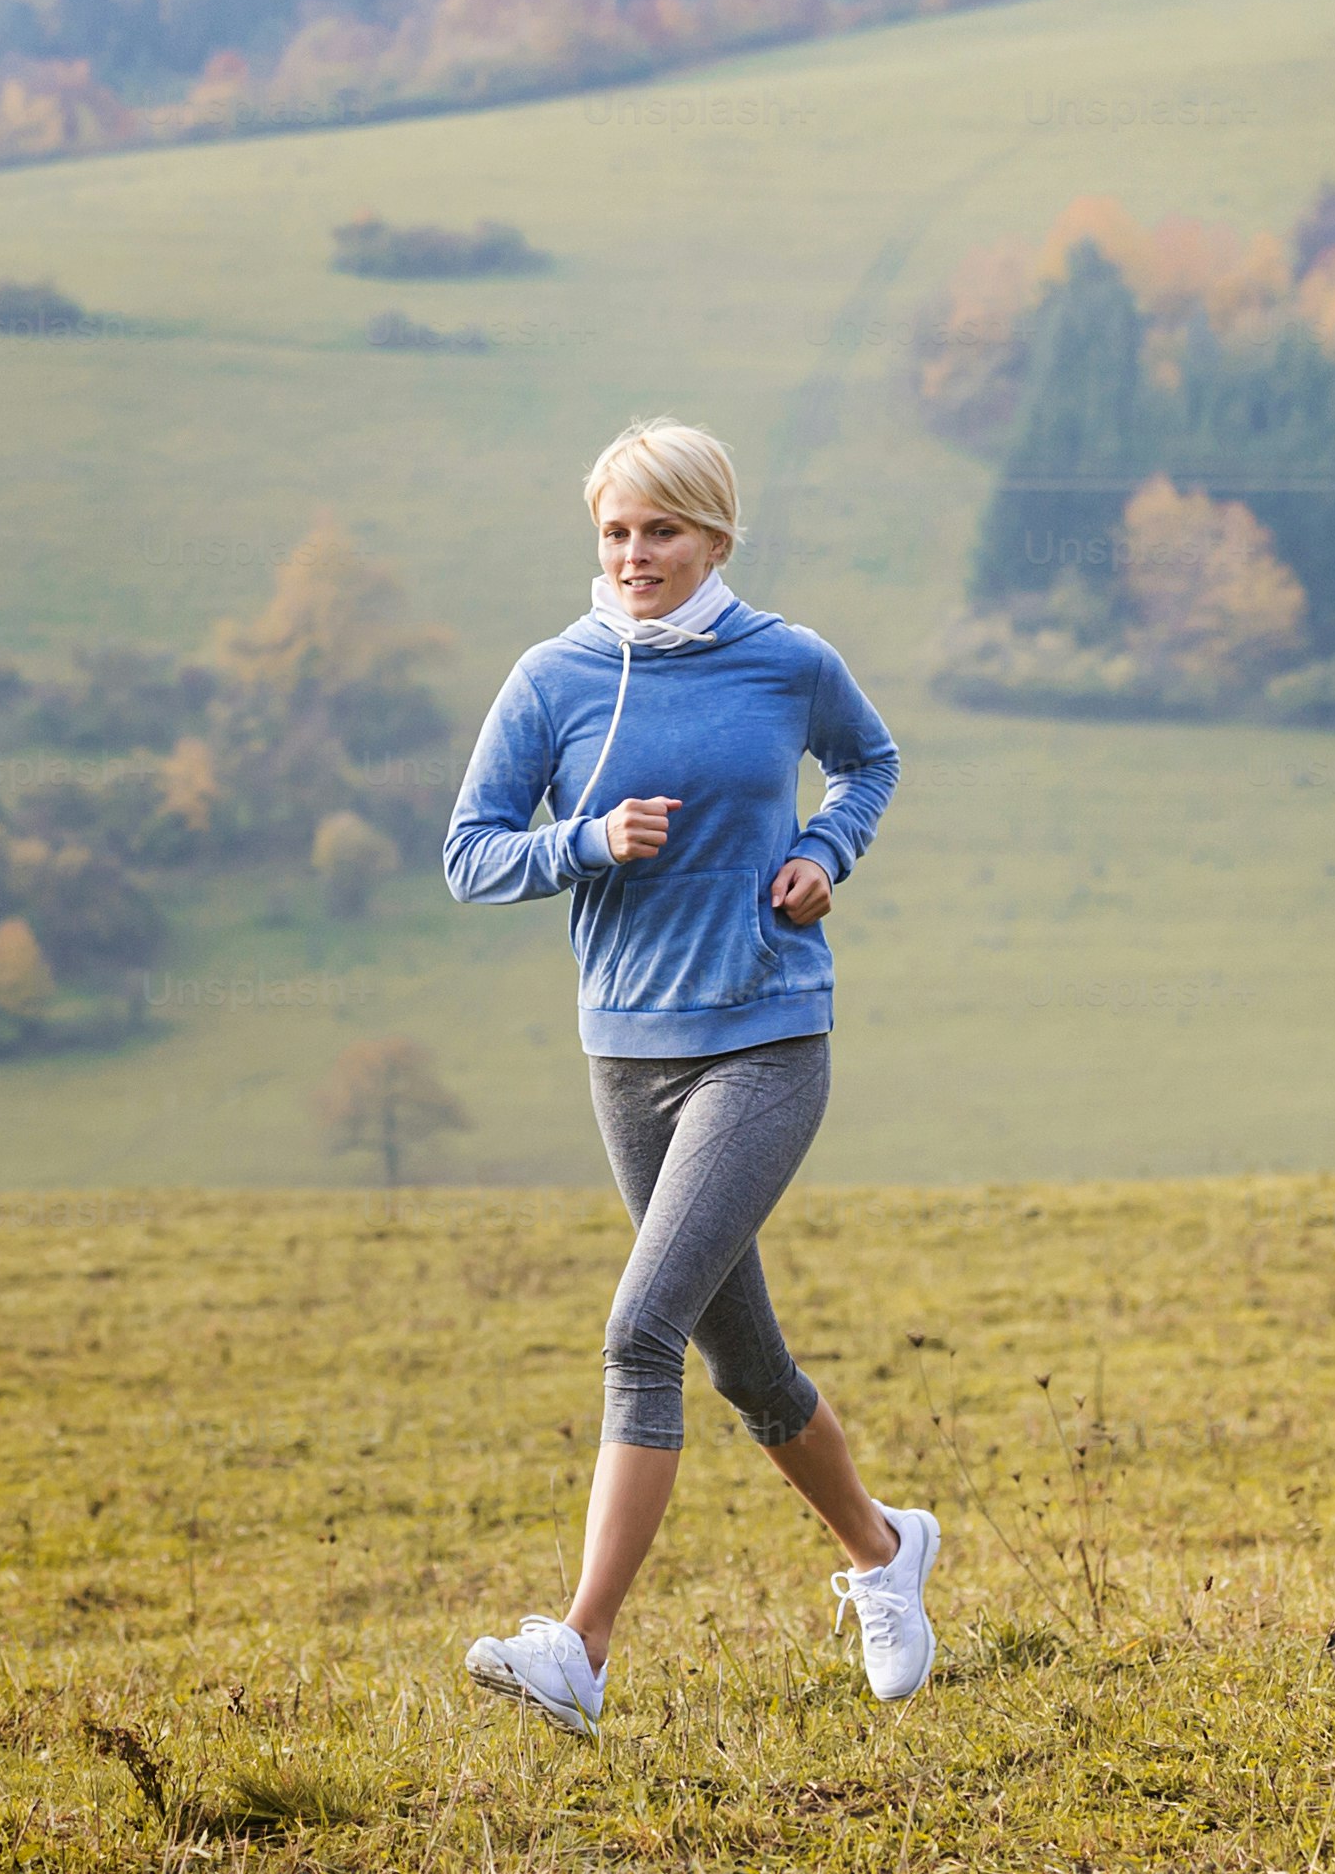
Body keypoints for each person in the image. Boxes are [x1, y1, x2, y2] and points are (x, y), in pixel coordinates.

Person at [442, 415, 936, 1734]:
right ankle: (886, 1554)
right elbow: (472, 852)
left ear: (715, 536)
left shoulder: (787, 662)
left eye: (661, 530)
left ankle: (581, 1652)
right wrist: (587, 841)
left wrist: (829, 851)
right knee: (748, 1366)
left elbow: (873, 759)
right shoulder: (553, 679)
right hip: (627, 1058)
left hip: (765, 1041)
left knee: (639, 1332)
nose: (635, 554)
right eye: (615, 531)